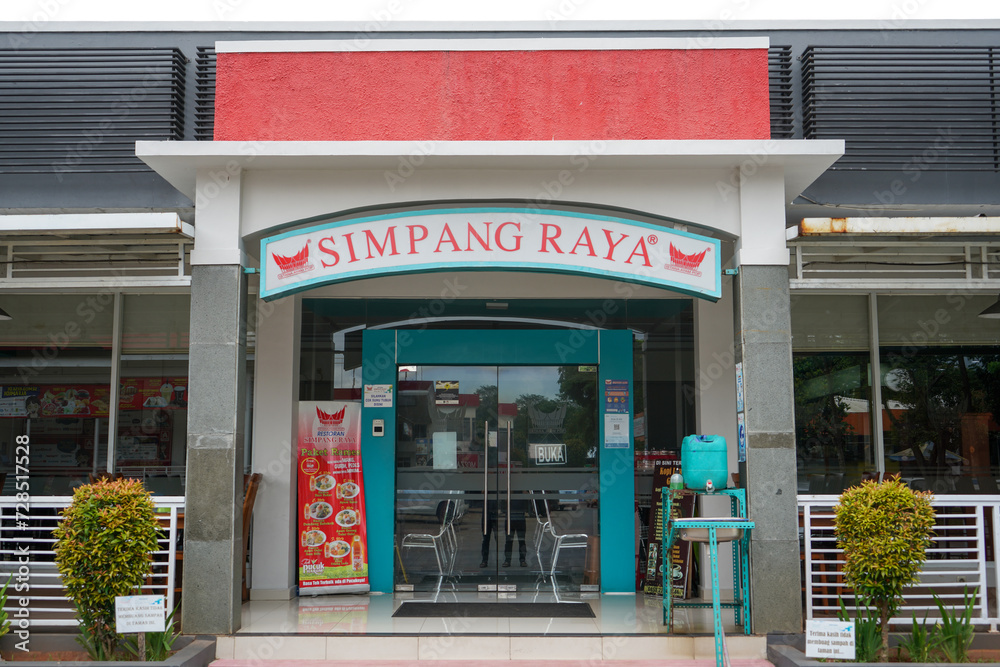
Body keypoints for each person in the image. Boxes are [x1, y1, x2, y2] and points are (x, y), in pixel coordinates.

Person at [503, 498, 529, 567]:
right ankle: (507, 560)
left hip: (519, 516)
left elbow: (527, 498)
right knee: (509, 541)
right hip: (510, 517)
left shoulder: (521, 490)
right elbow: (503, 501)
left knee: (521, 541)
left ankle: (522, 560)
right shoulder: (508, 489)